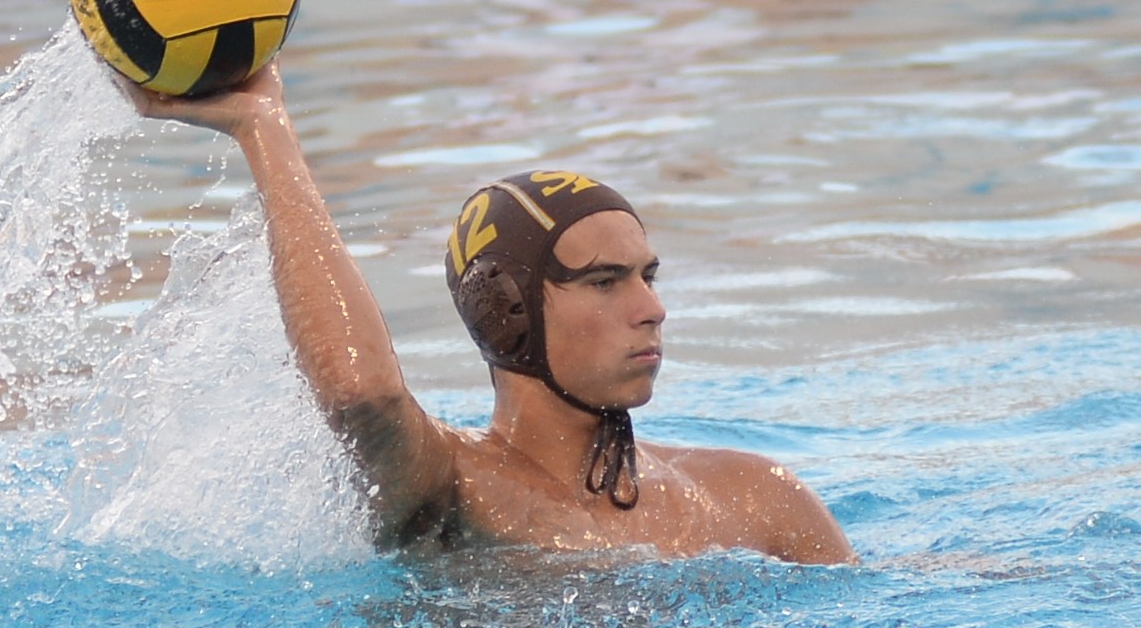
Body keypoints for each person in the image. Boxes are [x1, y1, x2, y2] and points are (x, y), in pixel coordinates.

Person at [125, 62, 857, 566]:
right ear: (505, 313)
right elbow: (362, 395)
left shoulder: (756, 496)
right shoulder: (450, 487)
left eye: (647, 274)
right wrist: (263, 127)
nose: (652, 308)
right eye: (603, 281)